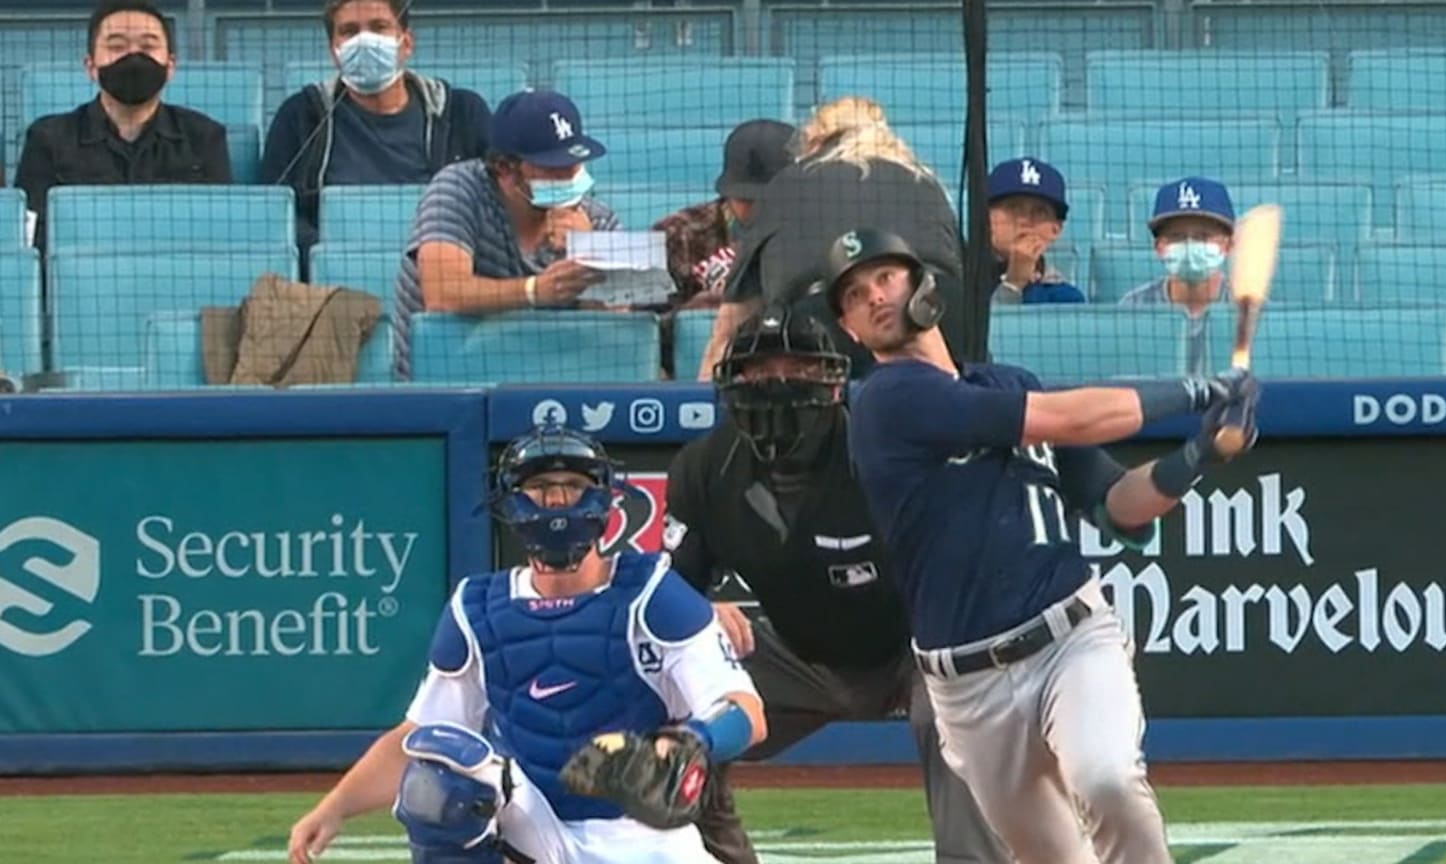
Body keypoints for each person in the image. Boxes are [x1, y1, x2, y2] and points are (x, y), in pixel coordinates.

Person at [823, 227, 1259, 864]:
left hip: (1071, 640)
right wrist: (1199, 393)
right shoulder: (886, 402)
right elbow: (1067, 417)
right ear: (852, 329)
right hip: (966, 687)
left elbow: (1120, 506)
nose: (875, 297)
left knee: (1106, 777)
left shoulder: (1009, 381)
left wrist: (1198, 454)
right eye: (856, 296)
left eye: (885, 277)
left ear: (923, 283)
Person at [286, 424, 767, 864]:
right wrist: (334, 809)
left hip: (641, 837)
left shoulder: (654, 593)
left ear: (603, 499)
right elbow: (417, 737)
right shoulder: (477, 609)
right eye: (539, 487)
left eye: (573, 486)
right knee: (440, 781)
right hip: (538, 831)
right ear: (511, 502)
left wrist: (693, 741)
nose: (557, 501)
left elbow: (746, 710)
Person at [664, 308, 1008, 864]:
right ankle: (710, 854)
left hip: (916, 643)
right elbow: (669, 591)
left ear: (830, 382)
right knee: (670, 702)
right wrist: (699, 611)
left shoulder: (881, 447)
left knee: (952, 711)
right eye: (759, 370)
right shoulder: (705, 468)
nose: (778, 382)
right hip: (802, 657)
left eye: (796, 367)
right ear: (733, 383)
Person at [697, 96, 964, 381]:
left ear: (816, 142)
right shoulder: (928, 183)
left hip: (827, 335)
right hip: (939, 320)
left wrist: (699, 412)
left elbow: (730, 326)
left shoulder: (788, 183)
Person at [391, 88, 618, 379]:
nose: (571, 176)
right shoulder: (458, 189)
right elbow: (442, 295)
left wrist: (589, 253)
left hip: (548, 385)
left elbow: (617, 332)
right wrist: (536, 291)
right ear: (504, 169)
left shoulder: (595, 220)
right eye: (552, 168)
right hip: (445, 384)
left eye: (574, 162)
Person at [261, 0, 491, 248]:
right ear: (334, 51)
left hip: (442, 268)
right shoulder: (300, 115)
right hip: (333, 275)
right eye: (349, 31)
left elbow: (498, 200)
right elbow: (272, 212)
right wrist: (330, 257)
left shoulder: (462, 111)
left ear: (407, 43)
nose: (364, 41)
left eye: (378, 27)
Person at [15, 0, 231, 248]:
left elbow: (218, 236)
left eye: (148, 46)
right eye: (117, 46)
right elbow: (31, 237)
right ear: (91, 67)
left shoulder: (204, 137)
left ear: (170, 66)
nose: (133, 57)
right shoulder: (48, 139)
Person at [654, 119, 794, 311]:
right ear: (728, 193)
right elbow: (644, 326)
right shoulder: (677, 235)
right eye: (748, 199)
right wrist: (687, 315)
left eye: (773, 200)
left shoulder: (819, 234)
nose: (760, 209)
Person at [1119, 176, 1237, 374]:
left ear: (1228, 245)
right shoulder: (1133, 308)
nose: (1190, 245)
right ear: (1158, 247)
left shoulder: (1249, 311)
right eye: (1177, 237)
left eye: (1203, 236)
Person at [986, 156, 1085, 304]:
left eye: (1040, 212)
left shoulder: (1065, 298)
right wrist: (1013, 283)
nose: (1025, 220)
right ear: (986, 218)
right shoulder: (959, 282)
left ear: (1056, 229)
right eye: (1013, 207)